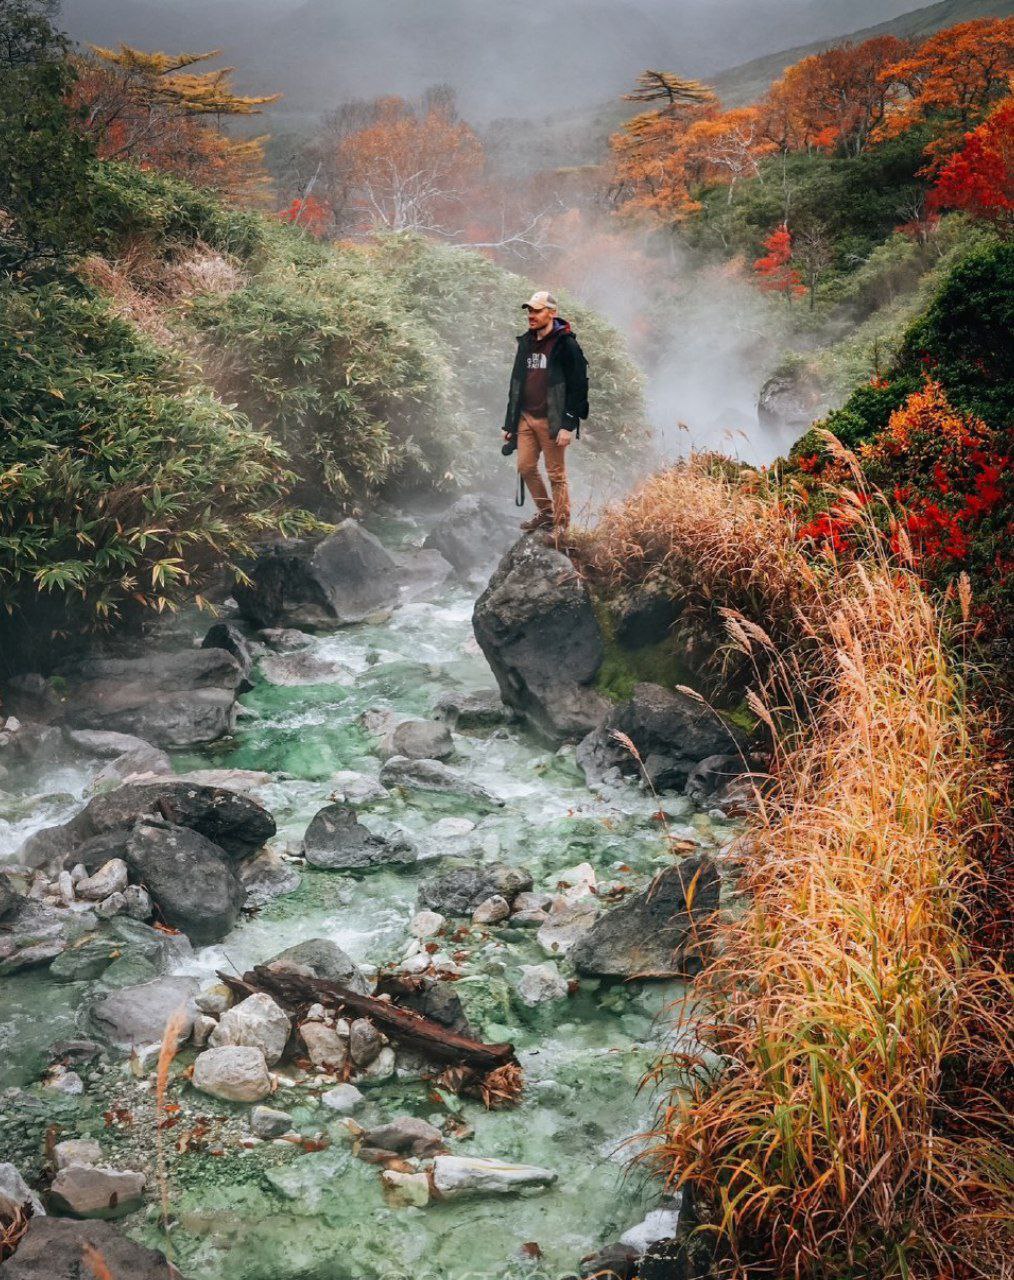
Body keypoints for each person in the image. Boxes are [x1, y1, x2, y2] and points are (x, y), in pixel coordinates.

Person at [502, 289, 589, 532]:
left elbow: (579, 386)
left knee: (556, 475)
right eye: (529, 310)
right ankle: (547, 513)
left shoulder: (566, 345)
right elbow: (516, 384)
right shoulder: (526, 342)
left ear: (551, 313)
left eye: (537, 310)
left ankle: (562, 525)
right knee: (525, 467)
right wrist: (510, 424)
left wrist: (567, 424)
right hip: (526, 418)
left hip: (552, 420)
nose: (531, 315)